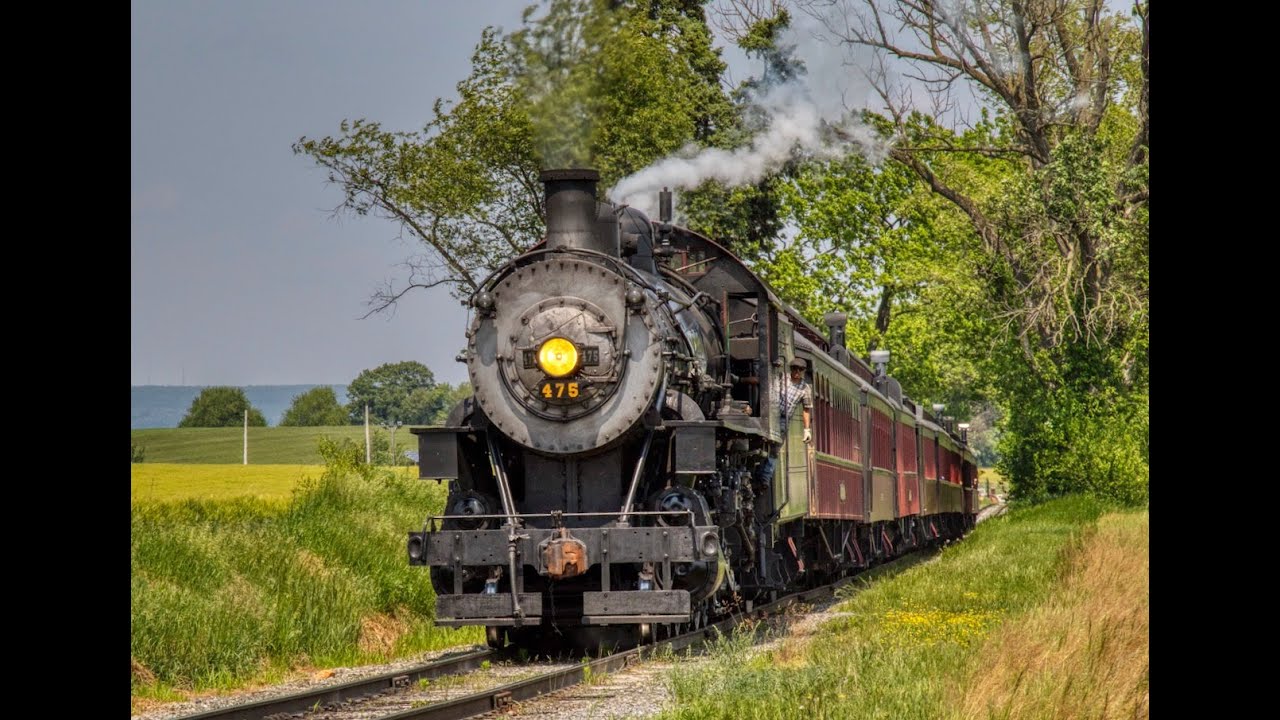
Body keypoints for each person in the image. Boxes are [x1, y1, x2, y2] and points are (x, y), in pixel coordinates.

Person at [754, 356, 812, 489]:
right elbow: (765, 384)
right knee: (762, 441)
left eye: (800, 369)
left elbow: (806, 409)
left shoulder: (805, 388)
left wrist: (807, 429)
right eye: (794, 368)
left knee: (775, 448)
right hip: (770, 412)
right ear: (791, 369)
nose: (797, 372)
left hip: (783, 419)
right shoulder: (781, 378)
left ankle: (765, 477)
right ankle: (757, 470)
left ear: (803, 371)